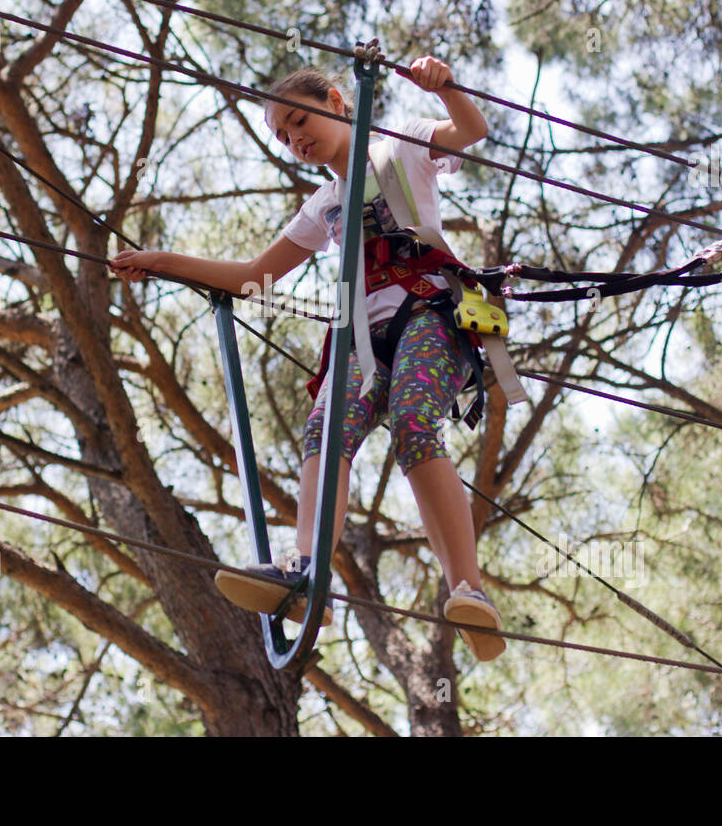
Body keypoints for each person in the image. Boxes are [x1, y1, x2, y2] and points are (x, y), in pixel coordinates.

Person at [109, 56, 506, 661]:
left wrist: (446, 84)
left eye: (299, 120)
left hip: (429, 312)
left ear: (339, 100)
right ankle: (303, 571)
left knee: (414, 423)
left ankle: (468, 588)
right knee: (325, 426)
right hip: (360, 338)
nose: (295, 139)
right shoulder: (324, 204)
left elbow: (469, 131)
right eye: (282, 135)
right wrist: (161, 261)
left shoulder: (402, 147)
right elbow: (253, 276)